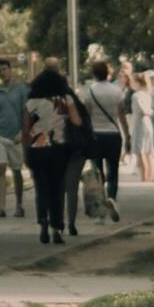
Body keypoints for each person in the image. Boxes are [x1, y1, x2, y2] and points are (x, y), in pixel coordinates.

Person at [22, 63, 78, 245]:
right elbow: (77, 121)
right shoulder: (65, 100)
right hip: (59, 149)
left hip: (37, 148)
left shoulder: (31, 103)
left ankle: (43, 221)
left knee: (41, 187)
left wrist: (26, 151)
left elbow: (25, 129)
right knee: (57, 188)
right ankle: (57, 227)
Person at [79, 56, 126, 219]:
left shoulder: (90, 91)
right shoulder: (117, 91)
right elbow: (121, 114)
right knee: (113, 170)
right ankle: (112, 198)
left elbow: (86, 117)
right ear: (107, 74)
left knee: (98, 173)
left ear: (93, 74)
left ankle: (100, 207)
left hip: (96, 135)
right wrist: (126, 134)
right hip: (113, 134)